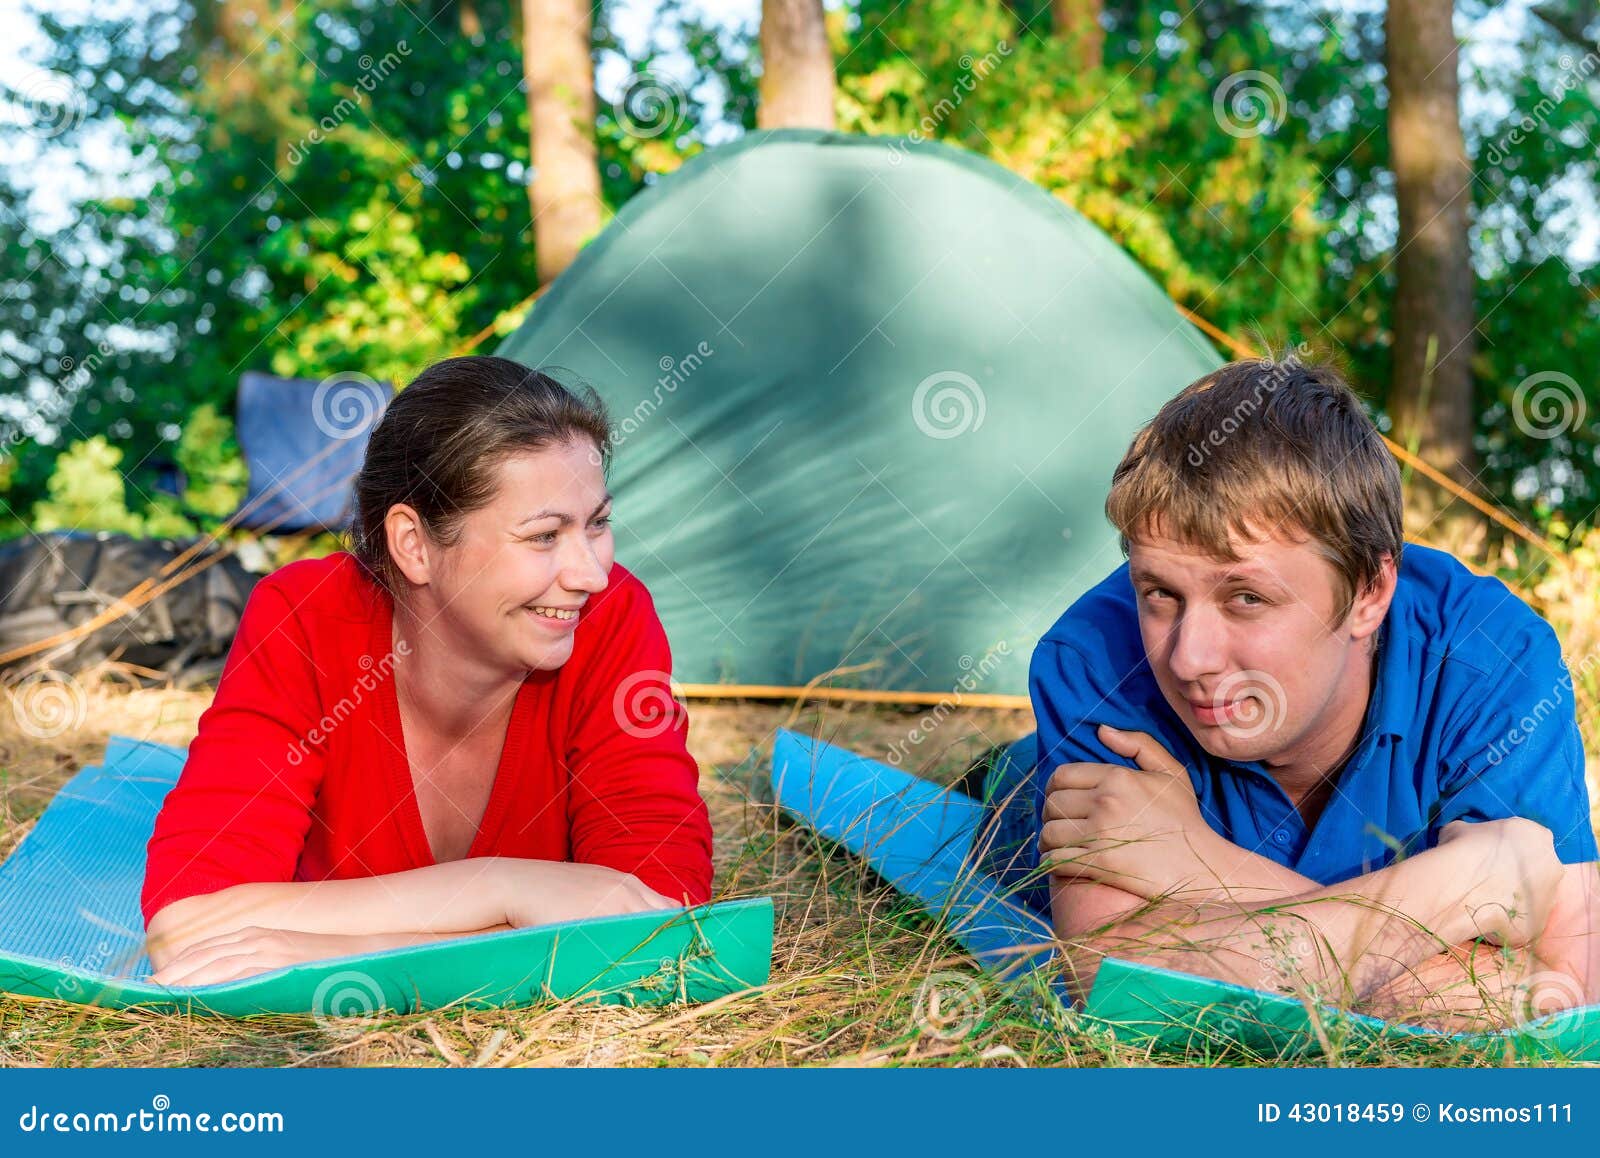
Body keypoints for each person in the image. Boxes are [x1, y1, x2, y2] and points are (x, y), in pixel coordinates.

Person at [979, 355, 1600, 1029]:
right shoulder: (1093, 656)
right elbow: (1113, 980)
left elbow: (1556, 1001)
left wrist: (1196, 862)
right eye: (1160, 592)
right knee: (1007, 788)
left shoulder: (1495, 662)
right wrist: (1460, 887)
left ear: (1370, 592)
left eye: (1246, 597)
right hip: (1025, 809)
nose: (1188, 658)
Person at [141, 356, 713, 986]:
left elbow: (659, 920)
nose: (591, 574)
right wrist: (504, 886)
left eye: (597, 524)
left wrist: (330, 949)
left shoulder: (610, 618)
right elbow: (186, 927)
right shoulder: (304, 621)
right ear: (414, 544)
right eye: (545, 535)